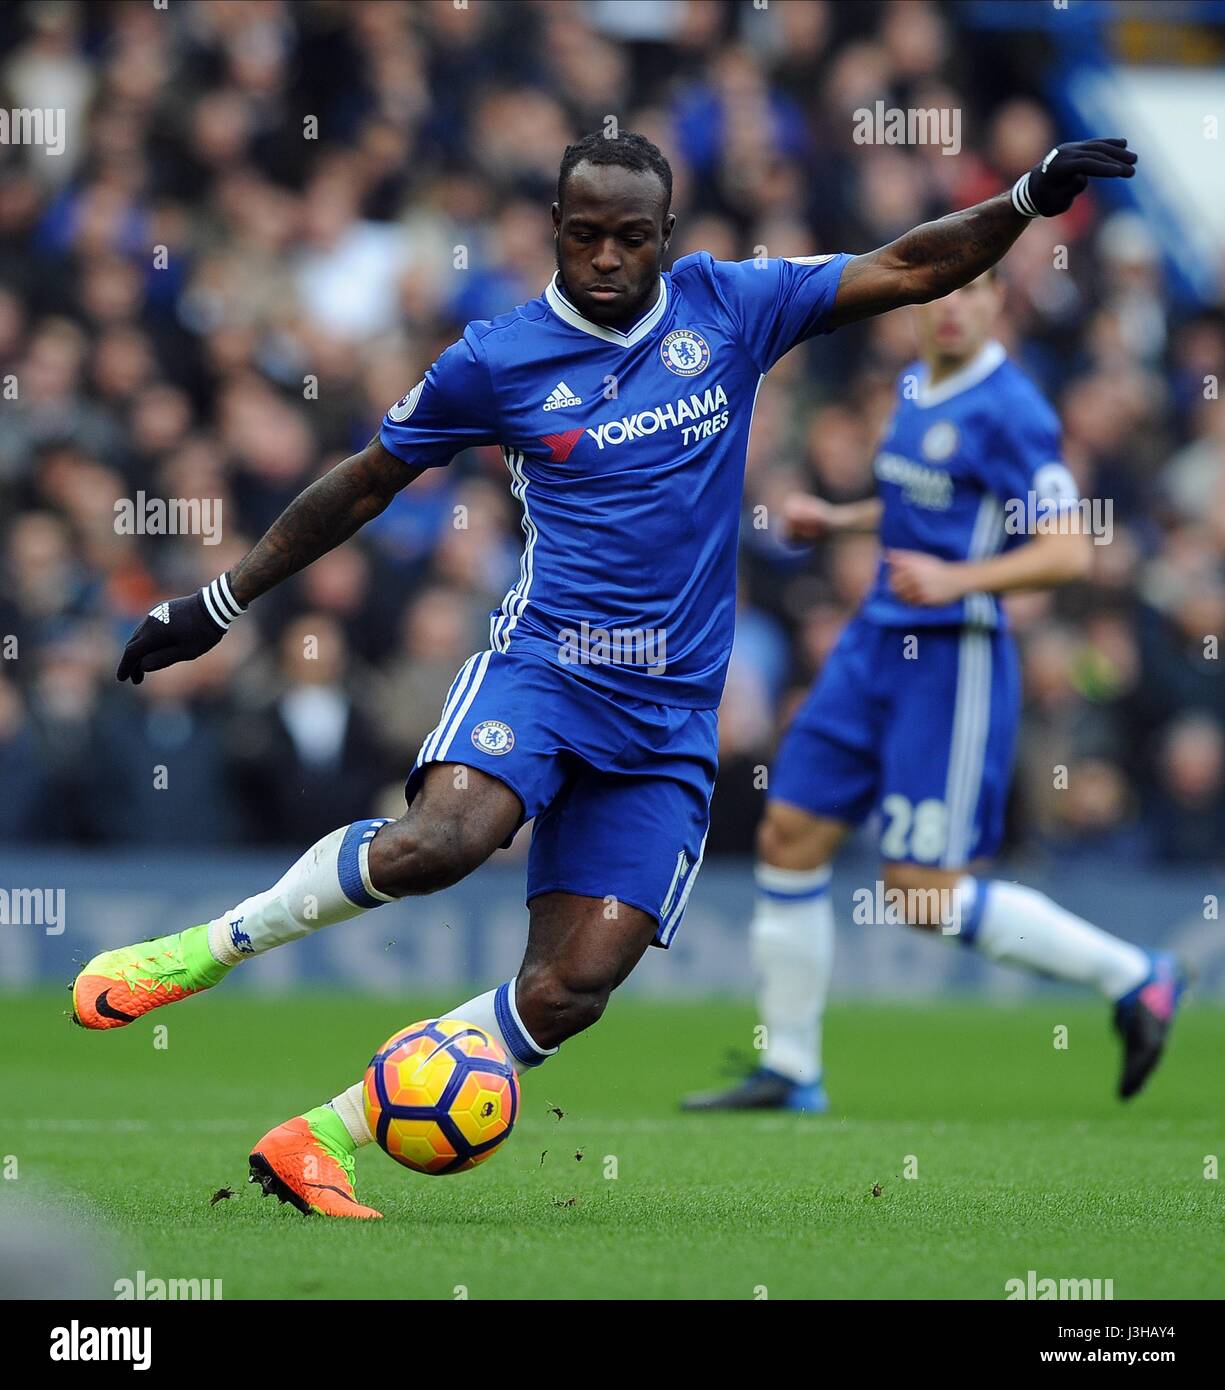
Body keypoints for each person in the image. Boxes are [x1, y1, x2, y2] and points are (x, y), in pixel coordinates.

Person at [72, 132, 1140, 1218]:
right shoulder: (497, 357)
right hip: (544, 667)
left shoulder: (730, 305)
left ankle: (322, 1135)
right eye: (584, 235)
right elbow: (362, 483)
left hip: (671, 719)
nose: (605, 259)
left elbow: (911, 264)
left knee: (571, 988)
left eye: (631, 238)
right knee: (443, 841)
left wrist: (1024, 195)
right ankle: (205, 950)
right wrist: (220, 600)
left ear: (666, 239)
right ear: (553, 229)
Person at [682, 267, 1187, 1115]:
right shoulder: (914, 387)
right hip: (871, 642)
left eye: (976, 290)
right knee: (791, 833)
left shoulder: (1014, 411)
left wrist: (960, 580)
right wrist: (837, 521)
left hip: (952, 658)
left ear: (998, 301)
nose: (953, 306)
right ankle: (792, 1069)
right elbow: (919, 504)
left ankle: (1136, 975)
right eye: (940, 292)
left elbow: (1066, 551)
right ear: (915, 305)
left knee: (919, 894)